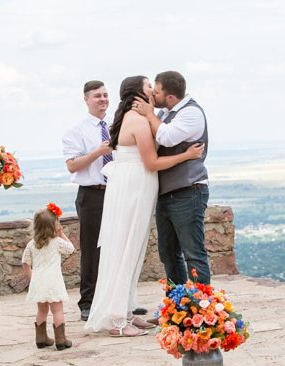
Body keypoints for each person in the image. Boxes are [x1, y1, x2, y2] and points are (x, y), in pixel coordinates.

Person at [85, 76, 204, 337]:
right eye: (149, 86)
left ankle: (126, 310)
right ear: (138, 92)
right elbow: (151, 162)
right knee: (127, 248)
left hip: (134, 185)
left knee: (132, 247)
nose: (153, 90)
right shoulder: (138, 120)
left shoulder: (134, 116)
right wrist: (187, 155)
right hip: (135, 186)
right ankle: (117, 319)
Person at [63, 80, 144, 322]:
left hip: (118, 191)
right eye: (97, 96)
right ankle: (87, 302)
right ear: (86, 99)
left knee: (120, 248)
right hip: (93, 194)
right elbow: (72, 165)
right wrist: (98, 151)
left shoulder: (117, 126)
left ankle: (123, 301)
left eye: (106, 95)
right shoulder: (76, 132)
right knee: (92, 250)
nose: (103, 99)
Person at [132, 71, 211, 289]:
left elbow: (166, 137)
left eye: (156, 92)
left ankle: (201, 308)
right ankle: (175, 308)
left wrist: (149, 115)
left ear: (170, 97)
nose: (153, 96)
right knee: (168, 254)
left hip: (188, 191)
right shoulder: (166, 113)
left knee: (193, 253)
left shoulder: (191, 113)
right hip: (166, 194)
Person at [22, 203, 75, 350]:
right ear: (54, 226)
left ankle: (40, 338)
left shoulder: (32, 245)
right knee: (57, 310)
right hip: (53, 281)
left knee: (42, 310)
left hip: (38, 281)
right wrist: (62, 234)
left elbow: (25, 262)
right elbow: (71, 249)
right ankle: (60, 339)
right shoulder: (57, 242)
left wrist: (31, 278)